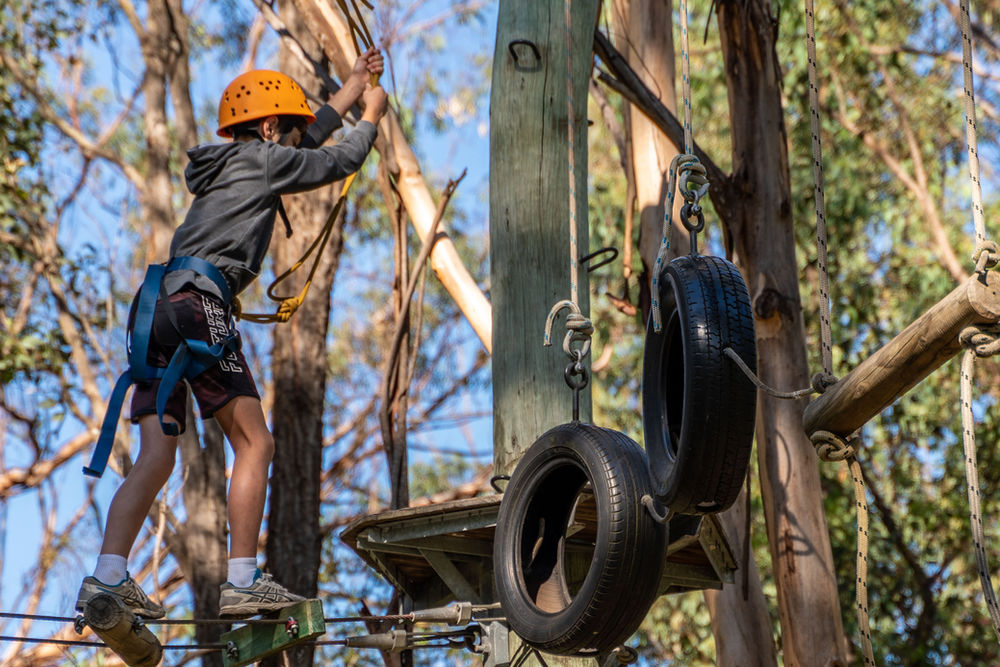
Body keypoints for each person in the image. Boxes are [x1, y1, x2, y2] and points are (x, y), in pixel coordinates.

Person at [76, 49, 389, 620]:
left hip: (154, 309)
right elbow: (334, 159)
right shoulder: (265, 160)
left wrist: (349, 88)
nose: (293, 145)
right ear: (270, 129)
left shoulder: (233, 162)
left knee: (157, 456)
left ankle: (106, 578)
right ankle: (243, 579)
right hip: (199, 306)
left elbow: (310, 135)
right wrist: (370, 117)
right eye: (287, 135)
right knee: (255, 443)